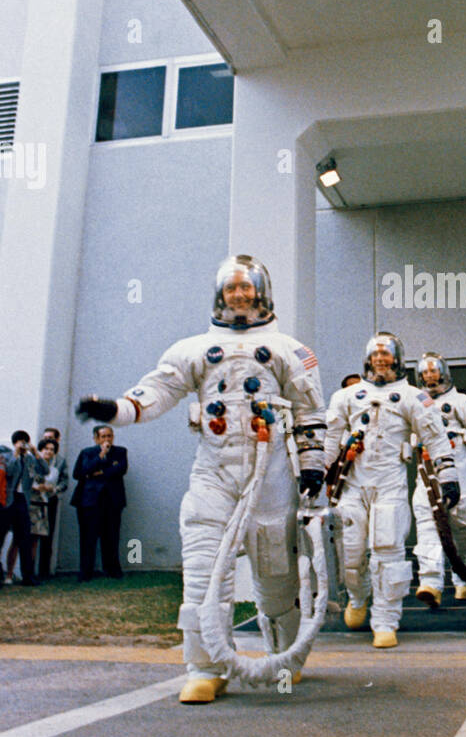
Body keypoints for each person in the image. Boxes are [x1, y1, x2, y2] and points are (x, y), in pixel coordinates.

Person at [76, 253, 327, 704]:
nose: (239, 295)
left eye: (246, 287)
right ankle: (205, 667)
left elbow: (310, 413)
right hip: (212, 474)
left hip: (269, 475)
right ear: (219, 294)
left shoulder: (291, 349)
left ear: (261, 292)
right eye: (232, 288)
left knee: (276, 574)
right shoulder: (192, 348)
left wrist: (311, 466)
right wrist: (112, 410)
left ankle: (284, 657)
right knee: (202, 573)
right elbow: (155, 393)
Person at [324, 333, 459, 647]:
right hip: (354, 486)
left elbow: (436, 437)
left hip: (390, 485)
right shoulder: (347, 396)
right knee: (353, 555)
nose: (381, 362)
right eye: (376, 357)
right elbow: (330, 440)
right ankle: (357, 598)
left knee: (388, 551)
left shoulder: (413, 396)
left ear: (397, 361)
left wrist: (448, 474)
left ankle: (385, 619)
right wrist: (316, 471)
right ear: (368, 360)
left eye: (387, 357)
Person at [412, 351, 466, 605]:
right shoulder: (414, 403)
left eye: (433, 371)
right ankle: (430, 582)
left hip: (458, 462)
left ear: (444, 373)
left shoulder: (464, 403)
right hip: (426, 468)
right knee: (426, 521)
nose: (429, 376)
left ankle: (463, 577)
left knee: (464, 522)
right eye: (425, 372)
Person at [71, 426, 128, 581]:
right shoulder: (87, 453)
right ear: (96, 438)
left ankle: (112, 569)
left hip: (112, 501)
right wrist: (101, 455)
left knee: (111, 536)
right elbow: (79, 473)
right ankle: (85, 572)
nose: (107, 440)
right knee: (88, 537)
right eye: (103, 437)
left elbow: (120, 469)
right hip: (89, 502)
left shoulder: (120, 452)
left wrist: (100, 473)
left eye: (109, 436)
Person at [0, 432, 48, 587]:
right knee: (0, 537)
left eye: (25, 443)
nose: (23, 446)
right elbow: (10, 472)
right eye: (20, 442)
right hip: (8, 499)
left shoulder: (30, 459)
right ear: (14, 443)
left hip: (23, 500)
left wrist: (36, 453)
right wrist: (15, 454)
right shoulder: (7, 457)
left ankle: (28, 576)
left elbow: (45, 471)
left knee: (25, 539)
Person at [38, 427, 69, 579]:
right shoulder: (35, 458)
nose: (47, 441)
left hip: (50, 500)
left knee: (47, 536)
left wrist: (54, 489)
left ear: (57, 440)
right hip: (34, 500)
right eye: (45, 438)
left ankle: (44, 571)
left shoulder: (61, 461)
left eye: (50, 438)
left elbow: (65, 481)